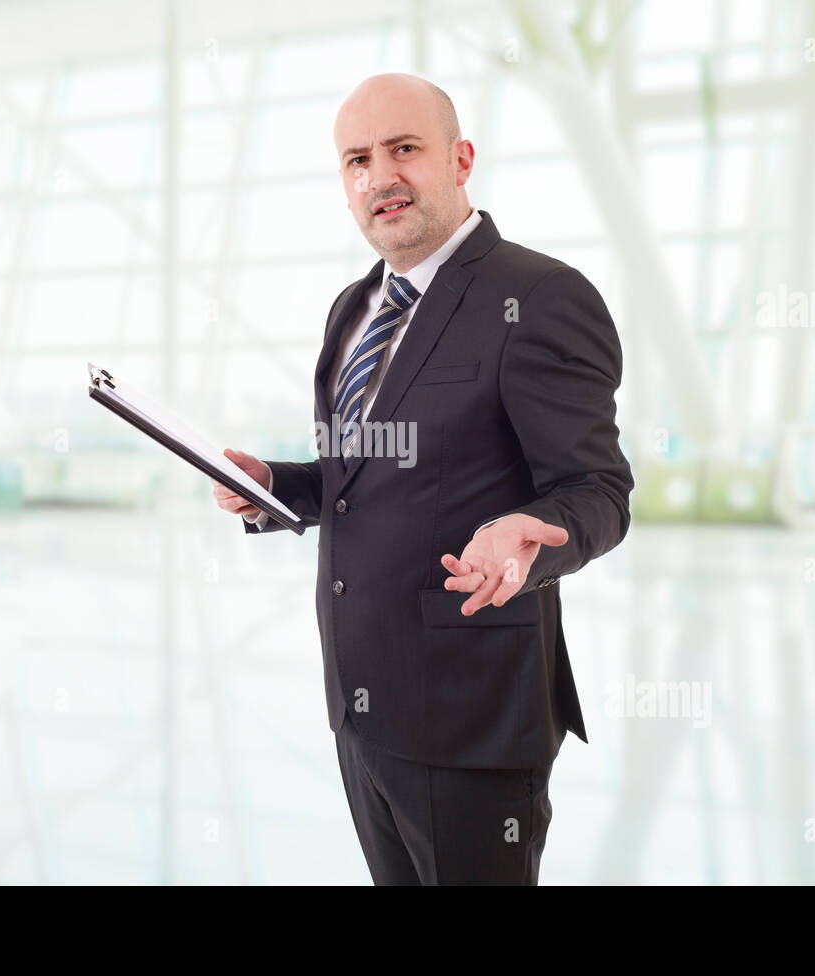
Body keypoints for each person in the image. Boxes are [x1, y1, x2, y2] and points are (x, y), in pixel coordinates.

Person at [210, 72, 634, 885]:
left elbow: (597, 490)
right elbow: (359, 477)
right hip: (361, 710)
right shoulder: (353, 308)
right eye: (357, 160)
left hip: (472, 719)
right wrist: (276, 486)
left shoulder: (540, 296)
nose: (380, 176)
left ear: (461, 158)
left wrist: (528, 540)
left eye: (404, 149)